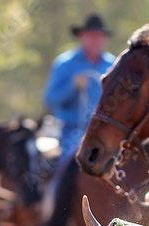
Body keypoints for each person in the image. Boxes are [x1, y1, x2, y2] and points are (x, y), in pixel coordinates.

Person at [43, 14, 116, 157]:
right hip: (73, 129)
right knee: (71, 163)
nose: (95, 40)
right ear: (82, 36)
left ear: (104, 39)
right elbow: (49, 99)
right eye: (91, 35)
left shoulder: (113, 64)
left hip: (106, 129)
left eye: (98, 36)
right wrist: (72, 86)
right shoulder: (65, 64)